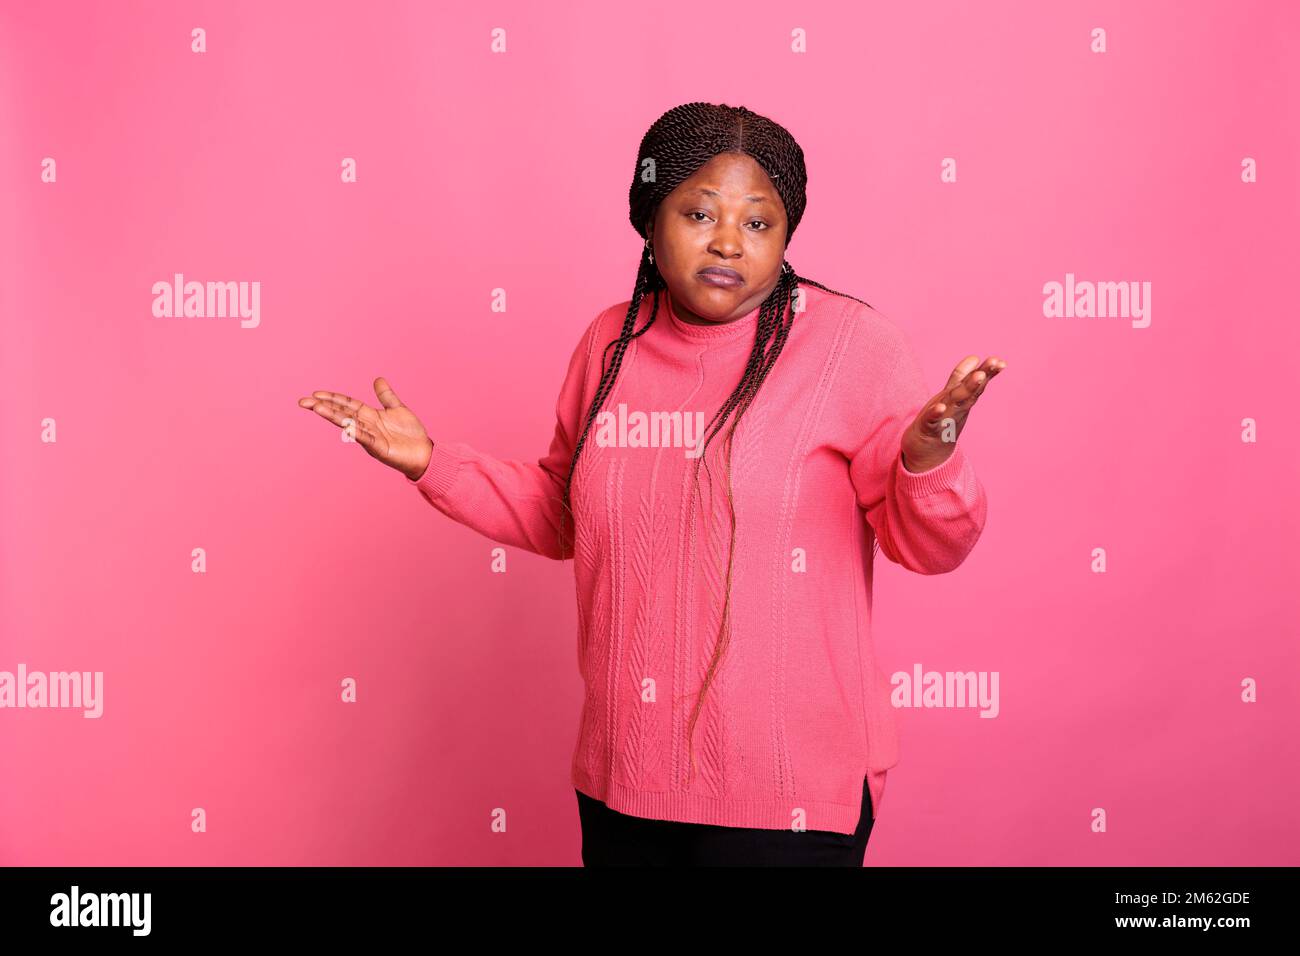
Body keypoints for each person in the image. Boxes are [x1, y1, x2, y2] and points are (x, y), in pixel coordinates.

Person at [298, 101, 1006, 866]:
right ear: (649, 219)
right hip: (624, 781)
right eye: (699, 212)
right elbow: (562, 514)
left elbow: (931, 547)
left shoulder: (851, 347)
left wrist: (929, 456)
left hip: (788, 792)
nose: (729, 240)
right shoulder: (611, 342)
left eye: (759, 222)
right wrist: (433, 461)